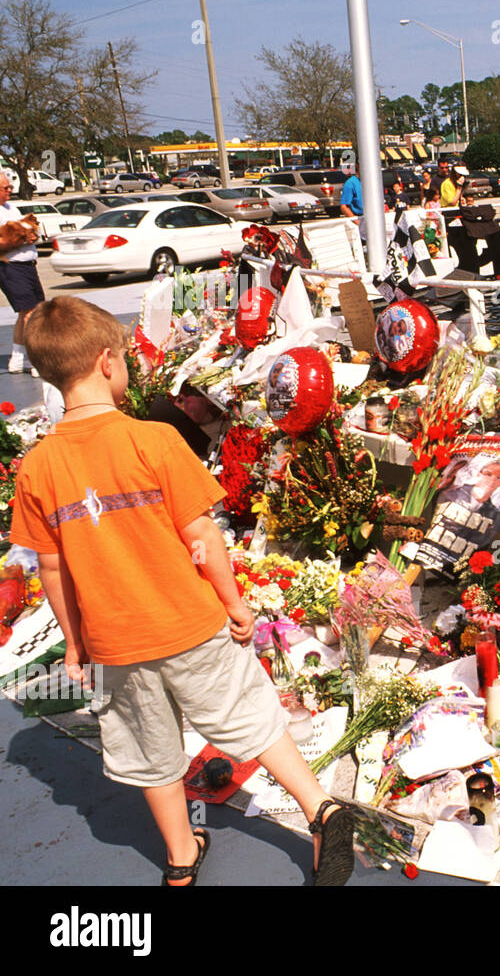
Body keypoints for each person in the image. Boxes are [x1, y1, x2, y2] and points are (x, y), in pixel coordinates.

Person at [8, 296, 355, 886]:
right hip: (189, 623)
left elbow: (53, 569)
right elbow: (204, 537)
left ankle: (180, 858)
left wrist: (73, 642)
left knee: (150, 750)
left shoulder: (37, 468)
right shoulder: (156, 441)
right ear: (108, 362)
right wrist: (234, 603)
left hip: (115, 642)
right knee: (248, 717)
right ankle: (319, 808)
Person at [0, 174, 44, 375]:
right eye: (5, 188)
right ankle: (36, 361)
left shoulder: (12, 209)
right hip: (11, 268)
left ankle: (17, 360)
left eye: (9, 187)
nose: (9, 190)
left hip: (28, 266)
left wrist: (31, 236)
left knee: (27, 314)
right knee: (30, 315)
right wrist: (23, 239)